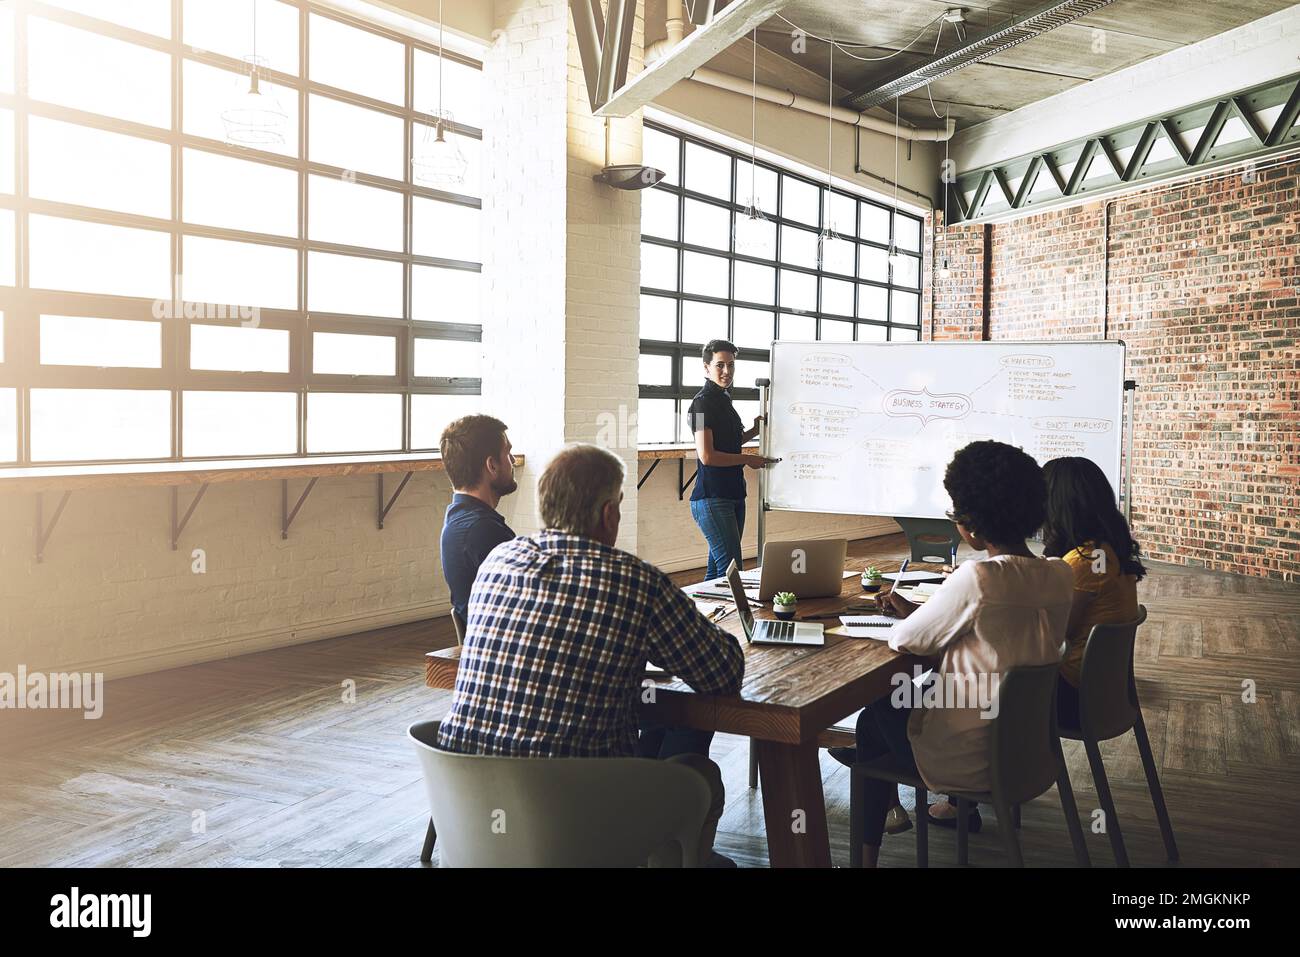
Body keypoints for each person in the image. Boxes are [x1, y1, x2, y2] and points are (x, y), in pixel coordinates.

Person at [436, 444, 745, 867]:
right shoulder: (635, 581)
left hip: (468, 816)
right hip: (581, 823)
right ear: (609, 515)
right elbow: (723, 674)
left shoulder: (497, 562)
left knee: (653, 733)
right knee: (699, 773)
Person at [852, 441, 1074, 866]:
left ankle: (871, 844)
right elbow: (998, 634)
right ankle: (889, 802)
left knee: (875, 713)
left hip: (969, 761)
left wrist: (919, 616)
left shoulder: (978, 577)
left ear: (969, 524)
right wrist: (930, 613)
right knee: (880, 726)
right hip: (1027, 752)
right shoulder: (1060, 575)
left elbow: (904, 641)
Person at [1041, 456, 1145, 727]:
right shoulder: (1105, 550)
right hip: (1106, 692)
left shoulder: (1084, 562)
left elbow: (1053, 636)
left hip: (1076, 699)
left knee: (978, 687)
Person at [688, 339, 778, 581]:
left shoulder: (724, 401)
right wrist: (746, 459)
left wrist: (754, 430)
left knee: (718, 573)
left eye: (731, 365)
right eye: (720, 365)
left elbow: (730, 442)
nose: (726, 371)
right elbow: (707, 456)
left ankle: (703, 616)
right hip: (711, 499)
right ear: (706, 368)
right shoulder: (700, 405)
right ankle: (735, 619)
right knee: (732, 571)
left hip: (733, 495)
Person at [438, 415, 517, 623]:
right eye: (508, 453)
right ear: (492, 466)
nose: (514, 460)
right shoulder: (482, 530)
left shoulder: (462, 519)